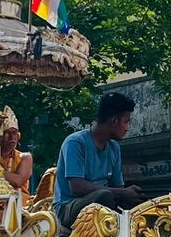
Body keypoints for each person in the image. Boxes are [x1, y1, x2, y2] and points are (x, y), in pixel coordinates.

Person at [54, 93, 144, 228]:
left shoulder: (114, 148)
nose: (127, 128)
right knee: (104, 196)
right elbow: (77, 187)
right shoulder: (75, 142)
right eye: (126, 122)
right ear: (114, 121)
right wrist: (122, 193)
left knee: (139, 203)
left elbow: (118, 188)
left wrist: (132, 195)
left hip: (103, 205)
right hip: (68, 208)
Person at [0, 109, 34, 197]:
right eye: (7, 133)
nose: (12, 137)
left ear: (18, 136)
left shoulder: (25, 157)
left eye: (14, 133)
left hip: (18, 201)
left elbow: (18, 181)